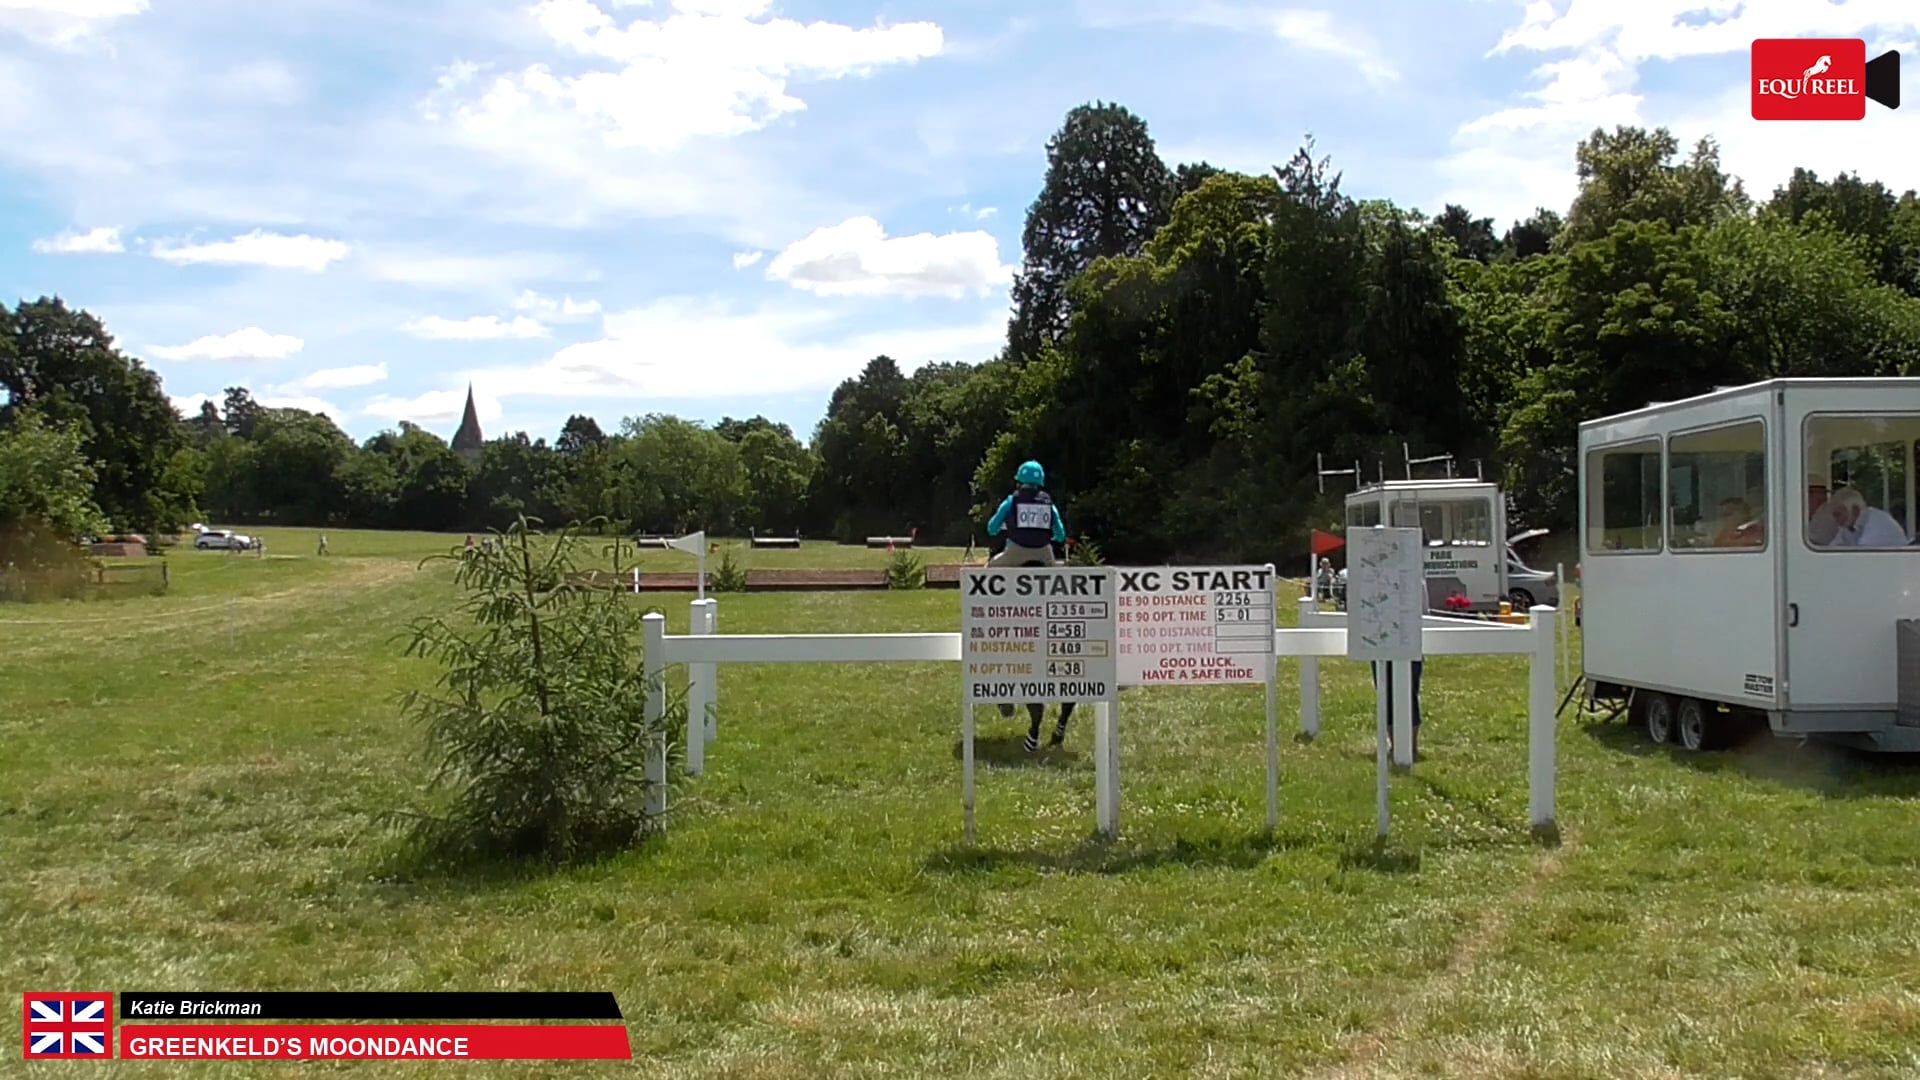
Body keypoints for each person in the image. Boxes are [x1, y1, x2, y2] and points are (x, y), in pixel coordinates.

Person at [986, 460, 1074, 753]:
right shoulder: (1049, 504)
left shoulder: (1012, 501)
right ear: (1041, 482)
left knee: (987, 573)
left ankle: (986, 615)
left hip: (1015, 552)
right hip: (1043, 554)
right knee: (1057, 583)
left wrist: (1005, 528)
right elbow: (1060, 534)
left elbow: (991, 527)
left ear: (1019, 480)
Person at [1823, 486, 1909, 547]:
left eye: (1838, 514)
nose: (1835, 519)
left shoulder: (1877, 523)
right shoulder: (1848, 525)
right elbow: (1833, 549)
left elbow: (1861, 556)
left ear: (1855, 510)